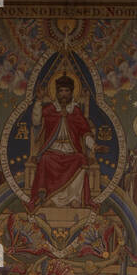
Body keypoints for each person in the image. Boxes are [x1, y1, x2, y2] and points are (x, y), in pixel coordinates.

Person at [28, 74, 98, 210]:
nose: (64, 94)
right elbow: (36, 121)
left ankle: (74, 198)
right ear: (57, 93)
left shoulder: (76, 111)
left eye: (67, 91)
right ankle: (51, 198)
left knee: (80, 159)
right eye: (61, 91)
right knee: (46, 159)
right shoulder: (50, 110)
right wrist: (38, 100)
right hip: (53, 149)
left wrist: (94, 146)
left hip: (71, 150)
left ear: (72, 93)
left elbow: (85, 132)